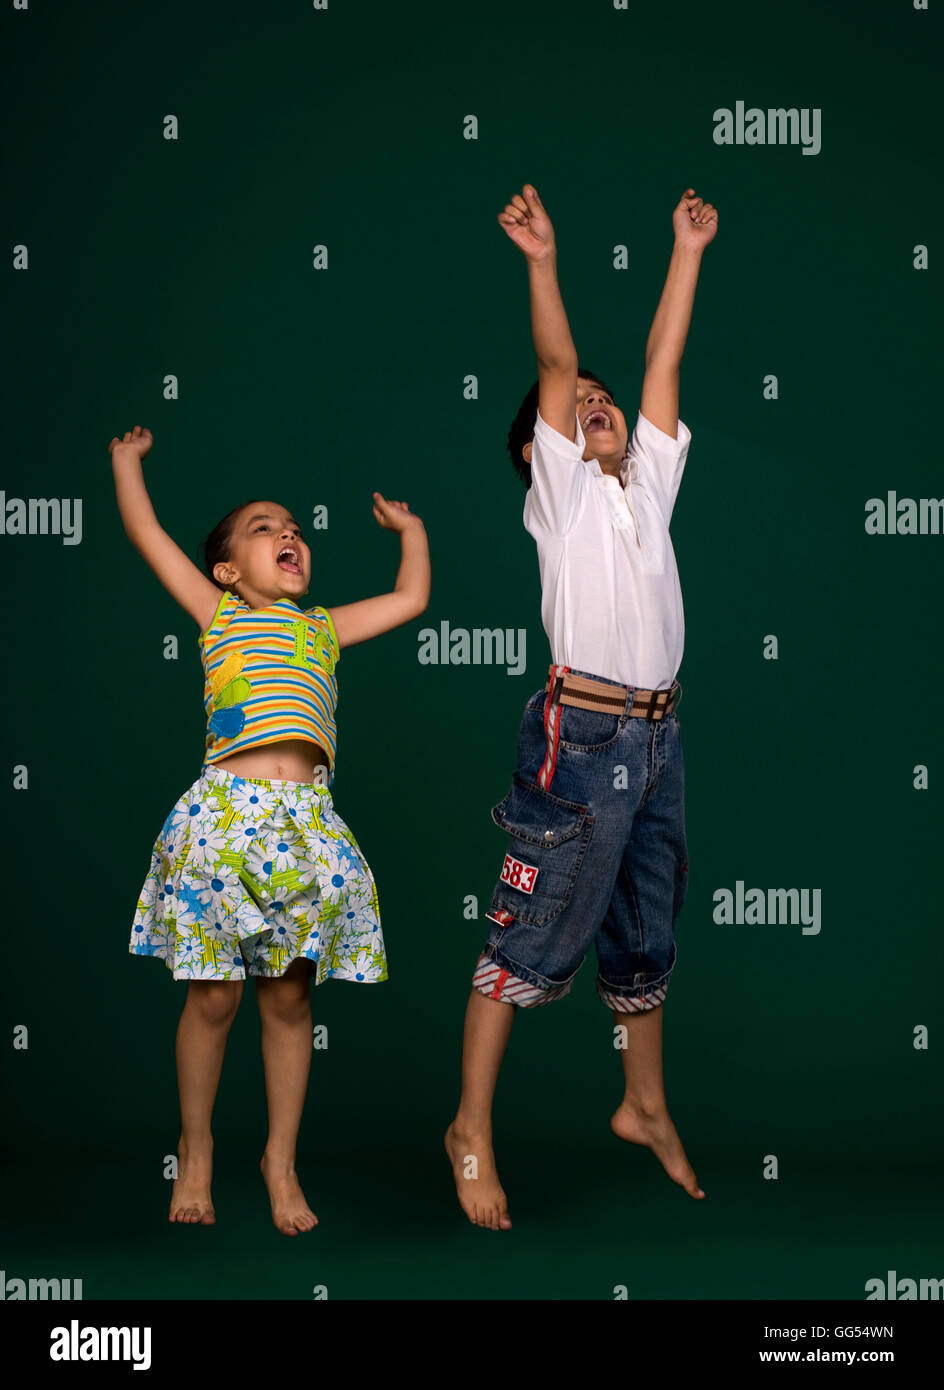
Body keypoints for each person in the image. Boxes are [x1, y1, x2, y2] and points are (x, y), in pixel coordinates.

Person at [445, 183, 718, 1230]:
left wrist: (684, 249)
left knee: (645, 930)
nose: (593, 402)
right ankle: (469, 1125)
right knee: (529, 931)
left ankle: (641, 1104)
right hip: (588, 734)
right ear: (539, 451)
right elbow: (557, 366)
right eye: (575, 407)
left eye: (603, 403)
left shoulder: (643, 486)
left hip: (659, 738)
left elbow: (659, 365)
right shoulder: (555, 499)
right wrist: (542, 261)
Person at [110, 426, 429, 1234]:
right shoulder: (216, 613)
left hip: (306, 829)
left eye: (294, 528)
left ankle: (280, 1161)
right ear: (227, 569)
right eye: (264, 528)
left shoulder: (322, 628)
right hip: (225, 823)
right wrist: (127, 465)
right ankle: (197, 1148)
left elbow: (410, 601)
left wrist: (413, 534)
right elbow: (147, 534)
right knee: (212, 997)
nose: (288, 534)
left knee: (288, 1002)